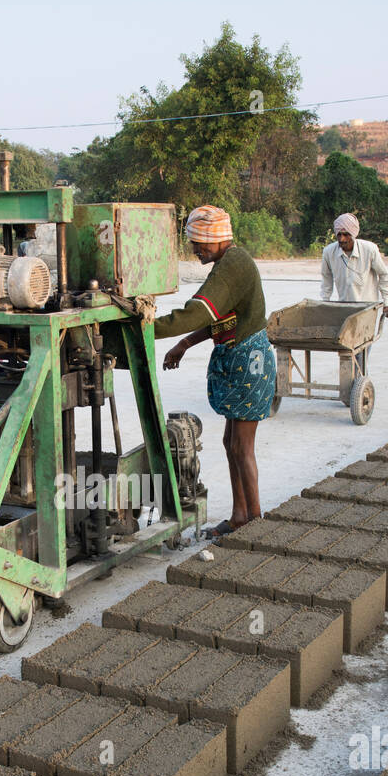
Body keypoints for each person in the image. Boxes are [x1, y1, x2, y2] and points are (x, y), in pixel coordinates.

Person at [154, 204, 276, 536]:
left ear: (215, 237)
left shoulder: (234, 264)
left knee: (242, 446)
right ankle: (240, 516)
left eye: (198, 243)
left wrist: (144, 328)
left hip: (251, 363)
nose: (194, 249)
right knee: (230, 442)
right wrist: (184, 344)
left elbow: (199, 313)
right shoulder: (227, 262)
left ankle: (255, 522)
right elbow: (219, 317)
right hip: (238, 359)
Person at [320, 214, 388, 316]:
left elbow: (383, 274)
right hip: (344, 307)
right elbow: (326, 278)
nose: (341, 239)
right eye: (339, 234)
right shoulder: (329, 252)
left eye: (346, 234)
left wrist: (387, 303)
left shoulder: (369, 249)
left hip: (367, 309)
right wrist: (325, 302)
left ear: (353, 234)